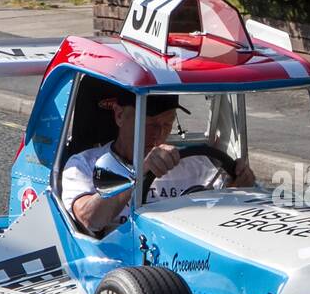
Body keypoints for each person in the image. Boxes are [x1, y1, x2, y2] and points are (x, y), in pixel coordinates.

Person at [61, 92, 254, 236]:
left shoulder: (194, 164)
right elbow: (89, 220)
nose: (158, 135)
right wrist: (140, 172)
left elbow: (223, 219)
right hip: (118, 267)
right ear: (119, 115)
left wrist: (239, 187)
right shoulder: (83, 164)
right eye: (149, 124)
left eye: (167, 125)